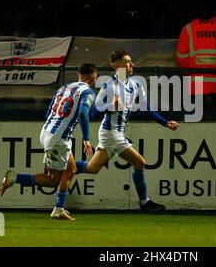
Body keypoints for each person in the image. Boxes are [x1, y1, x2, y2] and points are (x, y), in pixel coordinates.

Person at [74, 49, 180, 212]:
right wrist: (111, 106)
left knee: (92, 169)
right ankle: (145, 202)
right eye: (127, 62)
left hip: (115, 133)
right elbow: (94, 113)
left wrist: (165, 123)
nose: (132, 65)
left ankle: (64, 167)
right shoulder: (109, 86)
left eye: (131, 61)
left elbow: (147, 109)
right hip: (111, 133)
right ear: (117, 66)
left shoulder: (136, 84)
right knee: (139, 162)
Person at [0, 63, 98, 221]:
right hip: (59, 138)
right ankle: (15, 178)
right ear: (93, 77)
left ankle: (59, 209)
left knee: (70, 169)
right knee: (53, 180)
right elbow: (83, 114)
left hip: (47, 131)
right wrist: (86, 138)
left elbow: (49, 110)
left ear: (78, 75)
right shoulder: (88, 92)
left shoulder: (63, 88)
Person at [176, 3, 216, 111]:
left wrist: (189, 72)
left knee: (192, 121)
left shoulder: (188, 29)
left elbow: (181, 57)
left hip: (196, 83)